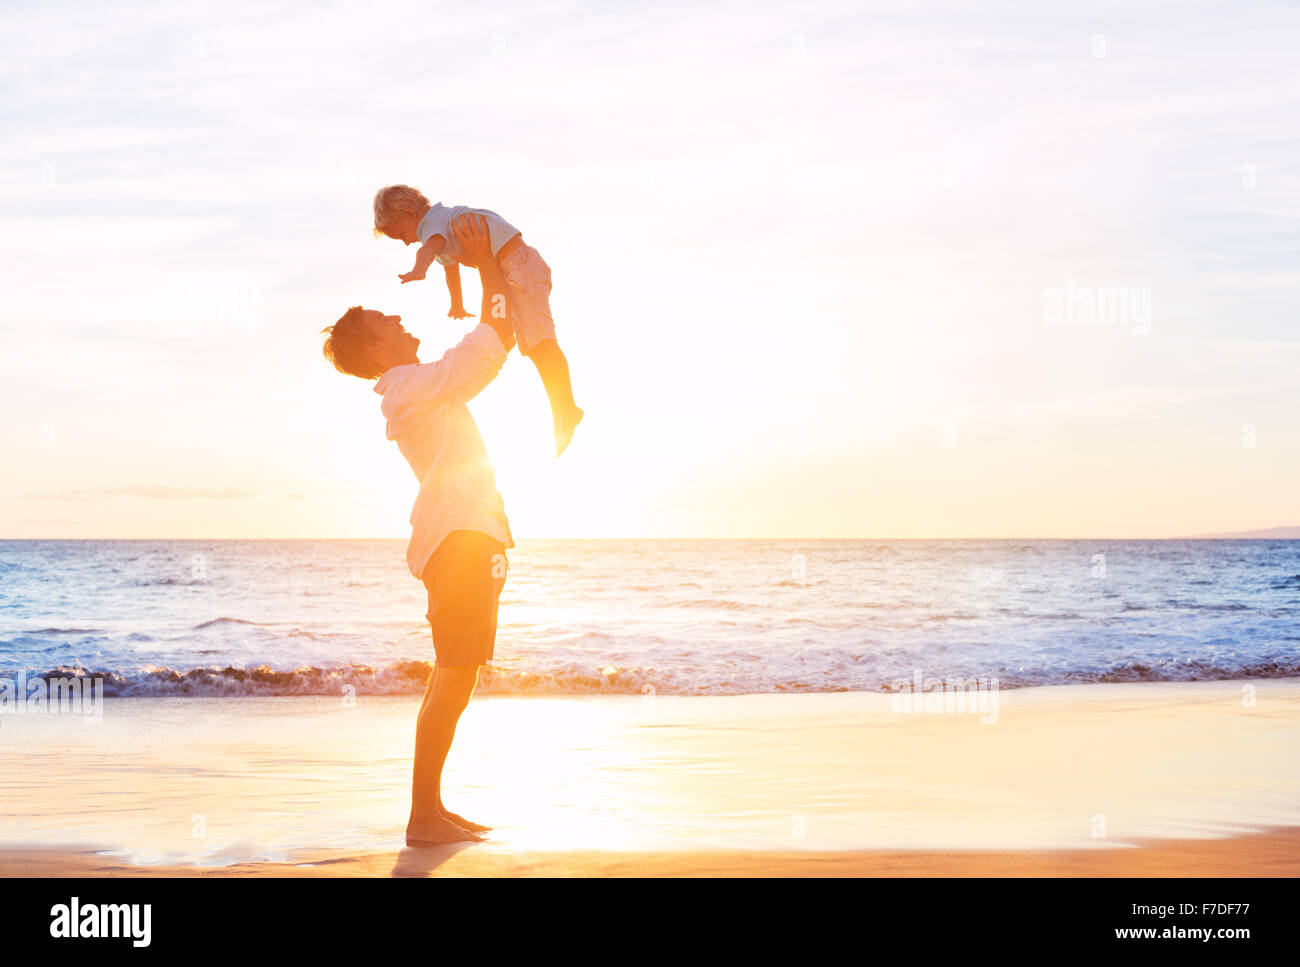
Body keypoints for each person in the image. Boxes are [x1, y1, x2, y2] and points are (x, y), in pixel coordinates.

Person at [321, 214, 514, 845]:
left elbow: (479, 359)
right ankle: (423, 818)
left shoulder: (417, 386)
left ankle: (430, 810)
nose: (401, 321)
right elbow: (481, 352)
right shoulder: (408, 388)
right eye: (388, 322)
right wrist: (489, 270)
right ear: (375, 349)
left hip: (470, 536)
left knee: (457, 673)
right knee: (456, 672)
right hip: (458, 539)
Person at [371, 184, 583, 456]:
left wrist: (418, 270)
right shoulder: (439, 229)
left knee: (541, 343)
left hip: (519, 263)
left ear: (410, 213)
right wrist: (456, 305)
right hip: (512, 267)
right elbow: (451, 269)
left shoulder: (433, 225)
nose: (406, 242)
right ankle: (563, 408)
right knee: (531, 346)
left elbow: (427, 251)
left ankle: (566, 408)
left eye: (401, 234)